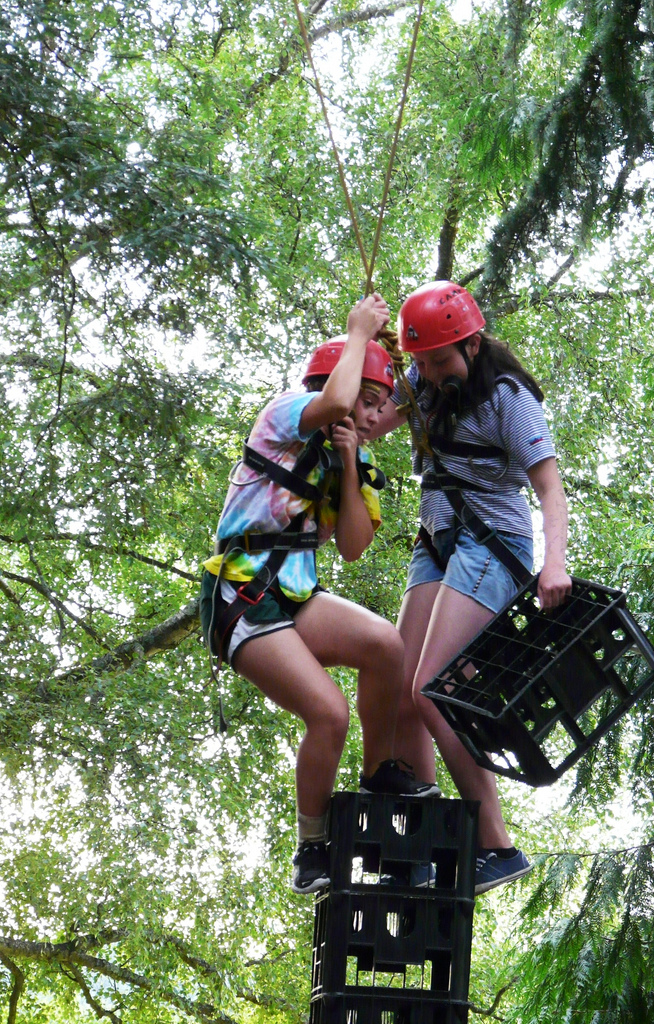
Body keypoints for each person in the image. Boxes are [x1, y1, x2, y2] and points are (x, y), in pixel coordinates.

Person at [200, 293, 440, 896]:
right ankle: (312, 848)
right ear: (336, 384)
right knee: (329, 713)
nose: (368, 414)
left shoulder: (347, 461)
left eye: (378, 405)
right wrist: (360, 330)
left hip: (294, 595)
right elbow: (332, 399)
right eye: (366, 399)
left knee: (386, 644)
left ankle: (379, 773)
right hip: (241, 595)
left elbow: (354, 545)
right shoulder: (285, 413)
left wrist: (351, 460)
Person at [370, 280, 572, 895]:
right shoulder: (421, 382)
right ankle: (423, 841)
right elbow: (376, 424)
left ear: (473, 342)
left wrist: (554, 564)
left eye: (439, 360)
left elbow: (550, 491)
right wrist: (365, 349)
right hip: (439, 538)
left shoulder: (509, 398)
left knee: (435, 689)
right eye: (420, 362)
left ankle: (497, 845)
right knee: (402, 687)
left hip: (493, 544)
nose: (428, 374)